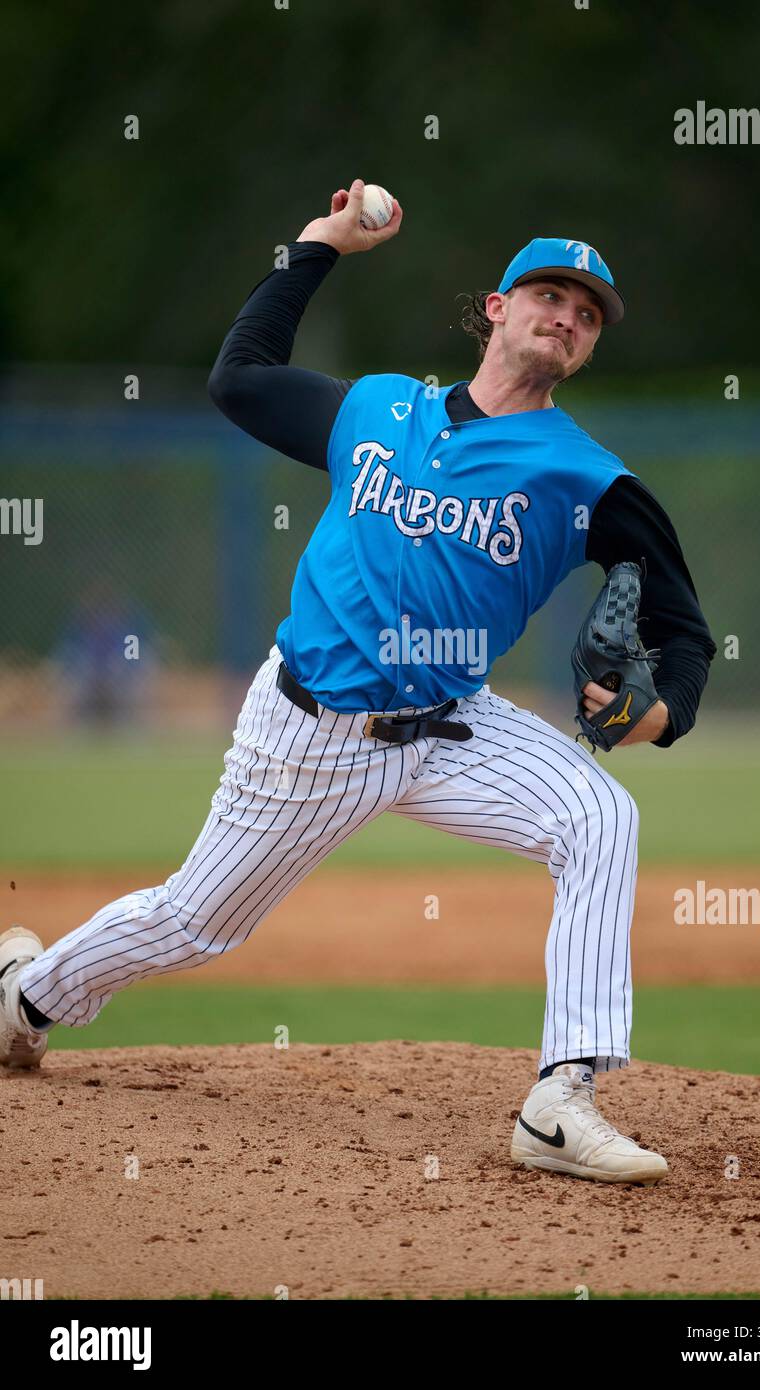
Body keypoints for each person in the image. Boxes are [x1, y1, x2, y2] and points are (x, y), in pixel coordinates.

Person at [0, 181, 716, 1185]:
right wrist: (319, 244)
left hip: (450, 726)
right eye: (550, 295)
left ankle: (560, 1100)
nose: (567, 315)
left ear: (587, 346)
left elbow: (683, 631)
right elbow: (239, 376)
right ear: (498, 309)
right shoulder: (376, 407)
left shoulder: (587, 480)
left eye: (587, 312)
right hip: (307, 732)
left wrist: (656, 718)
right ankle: (26, 997)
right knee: (195, 922)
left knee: (600, 818)